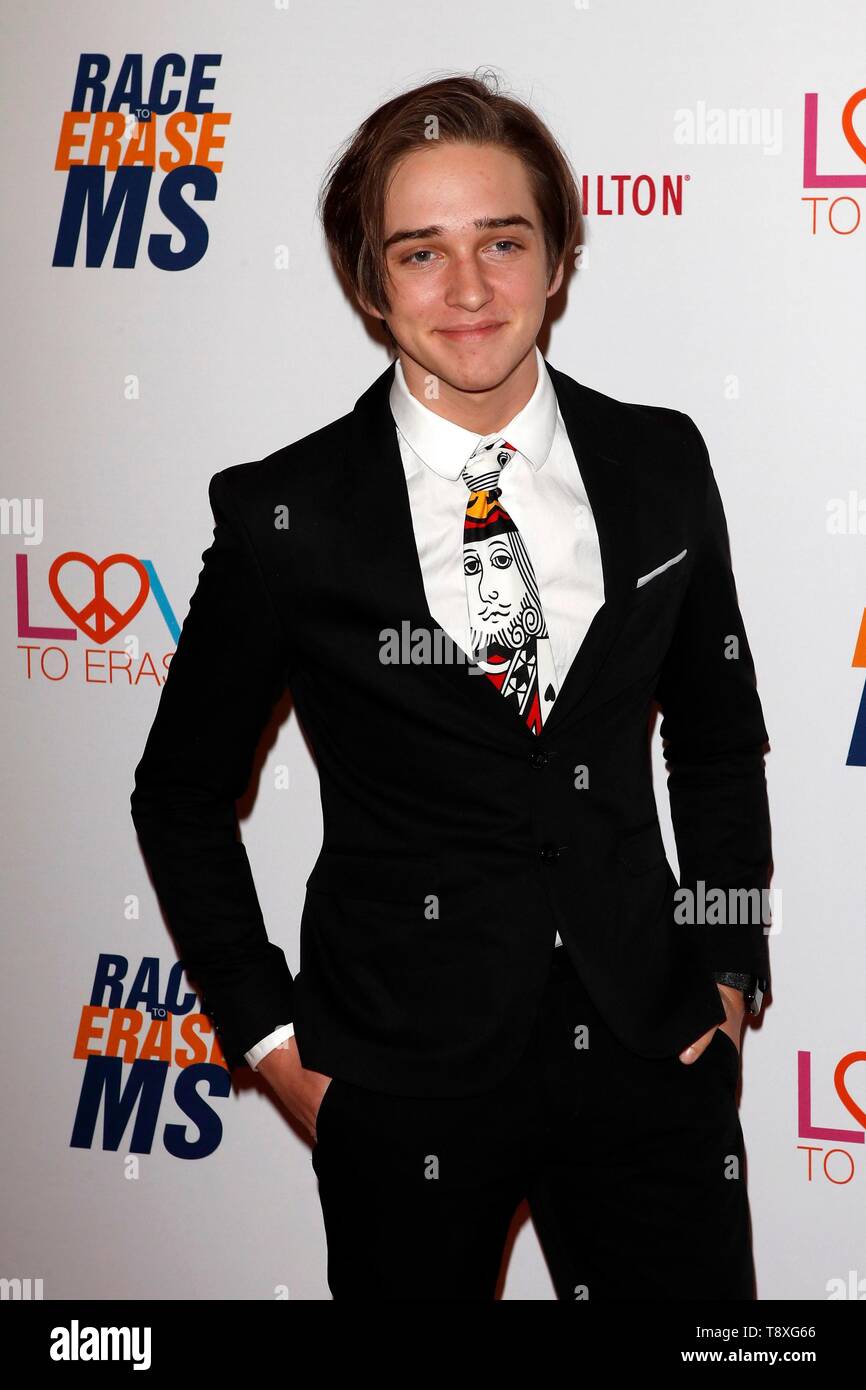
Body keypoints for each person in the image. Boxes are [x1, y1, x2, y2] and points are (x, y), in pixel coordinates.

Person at [130, 71, 772, 1301]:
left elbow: (712, 734)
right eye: (419, 253)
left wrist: (730, 971)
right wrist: (272, 1043)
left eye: (501, 242)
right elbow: (179, 794)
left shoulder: (659, 458)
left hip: (650, 1052)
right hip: (397, 1076)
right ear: (368, 282)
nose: (467, 291)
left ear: (558, 257)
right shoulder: (288, 513)